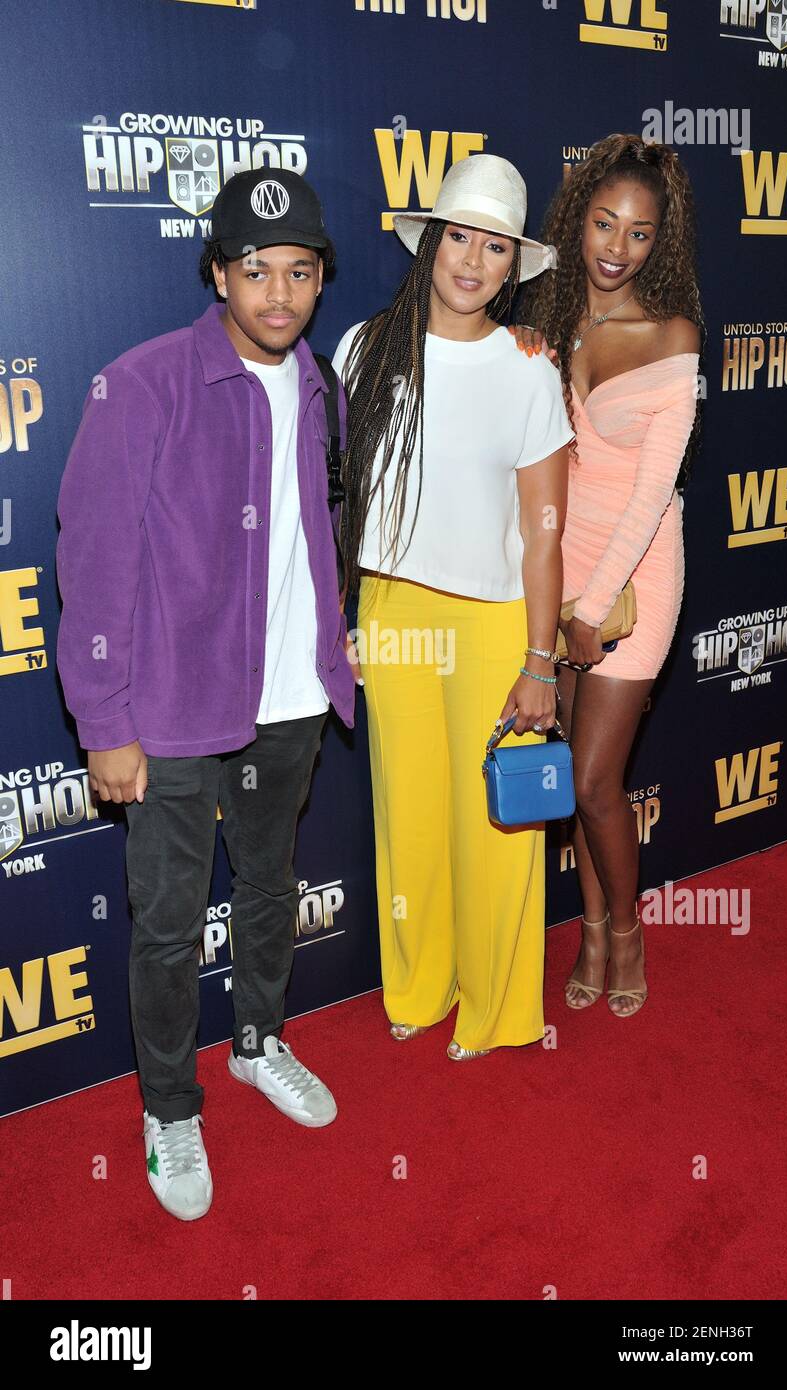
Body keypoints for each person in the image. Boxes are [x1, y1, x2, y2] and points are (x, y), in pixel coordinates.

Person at [55, 168, 356, 1221]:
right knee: (170, 920)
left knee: (269, 888)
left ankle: (260, 1040)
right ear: (218, 273)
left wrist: (328, 657)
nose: (279, 293)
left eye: (301, 272)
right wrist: (106, 721)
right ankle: (169, 1106)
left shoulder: (321, 385)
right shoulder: (140, 384)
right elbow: (91, 563)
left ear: (320, 279)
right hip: (171, 706)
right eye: (257, 270)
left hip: (288, 698)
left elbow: (318, 537)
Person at [333, 154, 574, 1060]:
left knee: (497, 828)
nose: (473, 262)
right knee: (411, 813)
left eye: (496, 249)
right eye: (460, 237)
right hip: (392, 613)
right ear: (429, 242)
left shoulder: (527, 372)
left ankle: (502, 1009)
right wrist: (347, 619)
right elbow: (339, 499)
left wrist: (539, 660)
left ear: (515, 268)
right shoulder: (364, 348)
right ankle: (419, 985)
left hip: (489, 622)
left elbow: (543, 532)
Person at [512, 134, 703, 1017]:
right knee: (586, 787)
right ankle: (588, 928)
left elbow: (650, 495)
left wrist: (588, 614)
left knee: (590, 780)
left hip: (635, 579)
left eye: (637, 232)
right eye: (602, 223)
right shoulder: (548, 322)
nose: (615, 247)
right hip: (561, 565)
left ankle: (624, 931)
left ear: (658, 241)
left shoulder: (671, 336)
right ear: (577, 220)